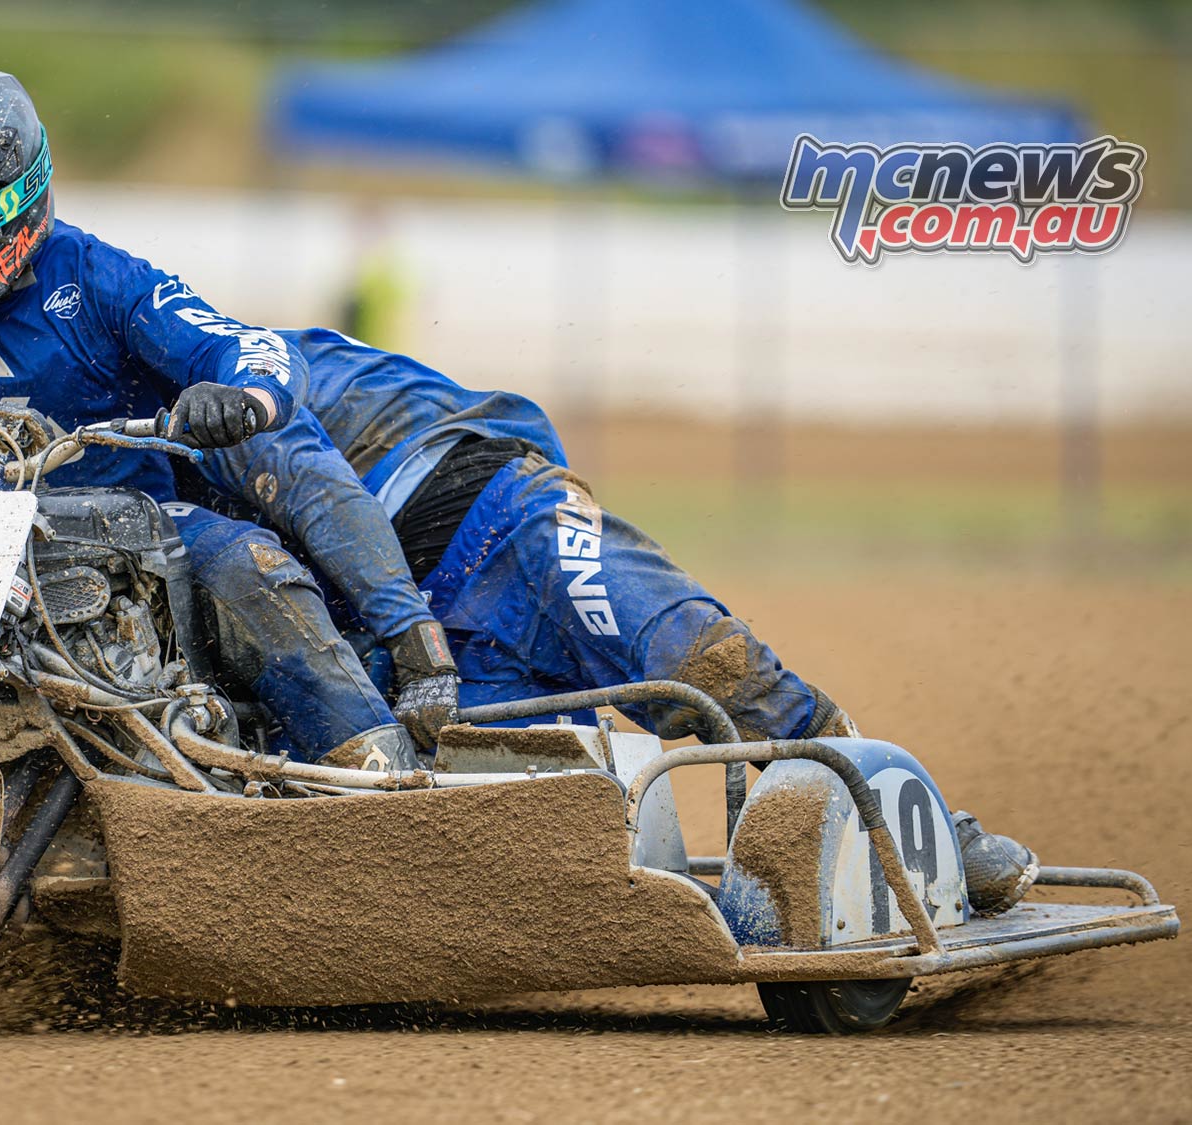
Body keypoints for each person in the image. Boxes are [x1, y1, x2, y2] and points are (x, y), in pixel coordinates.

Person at [184, 328, 1040, 915]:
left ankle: (915, 837)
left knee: (703, 659)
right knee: (536, 859)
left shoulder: (221, 359)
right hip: (388, 645)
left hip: (502, 517)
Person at [0, 71, 445, 771]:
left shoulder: (95, 276)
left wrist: (243, 396)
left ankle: (375, 771)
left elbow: (249, 347)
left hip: (130, 525)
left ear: (10, 203)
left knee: (251, 567)